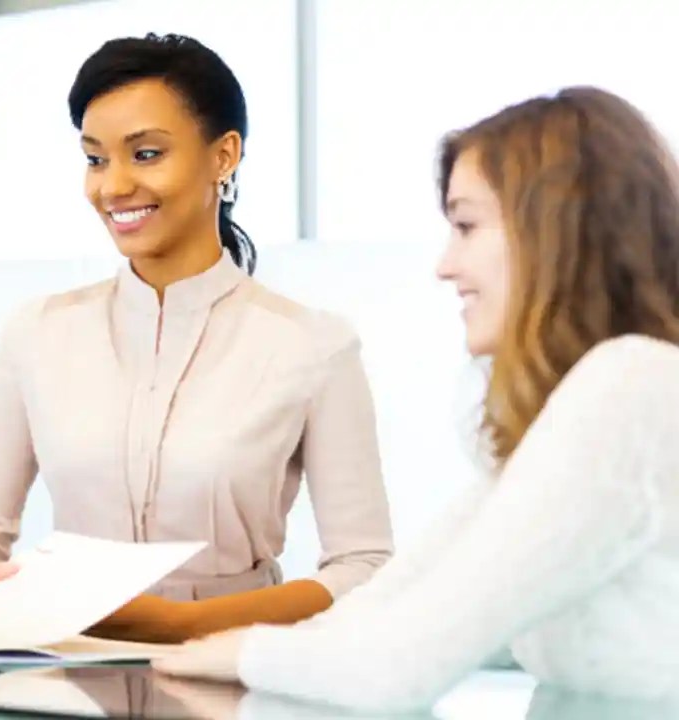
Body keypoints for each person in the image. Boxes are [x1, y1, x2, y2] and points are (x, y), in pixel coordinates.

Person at [155, 86, 679, 711]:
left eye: (466, 226)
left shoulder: (633, 385)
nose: (445, 265)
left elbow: (395, 667)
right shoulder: (569, 418)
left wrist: (231, 652)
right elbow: (395, 608)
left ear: (558, 229)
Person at [0, 33, 394, 643]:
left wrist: (184, 623)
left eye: (147, 154)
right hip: (62, 675)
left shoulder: (312, 346)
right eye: (96, 159)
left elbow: (364, 568)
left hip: (235, 676)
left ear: (223, 156)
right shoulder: (38, 333)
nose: (113, 186)